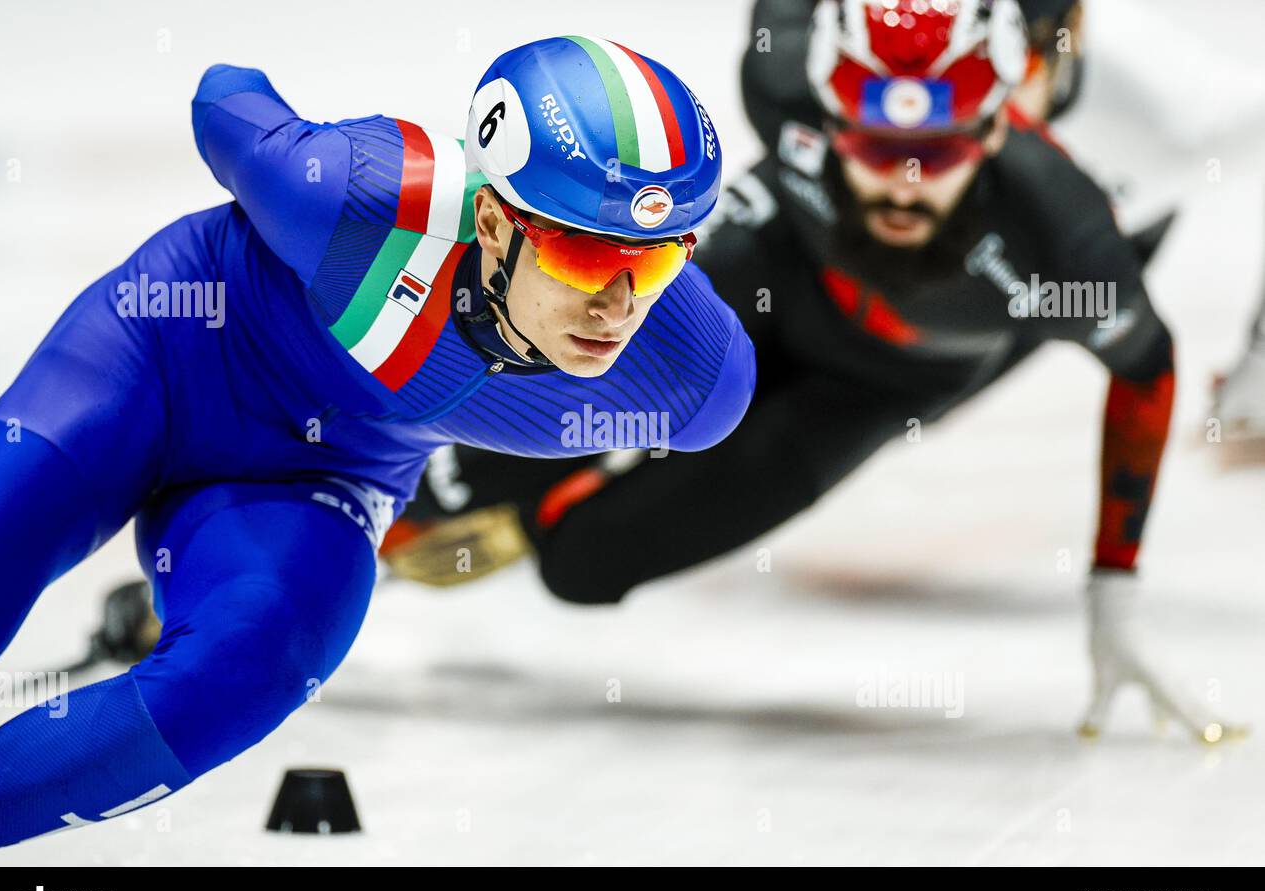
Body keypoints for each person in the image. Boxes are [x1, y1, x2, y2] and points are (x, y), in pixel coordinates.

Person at [0, 37, 755, 859]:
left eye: (658, 258)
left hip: (316, 479)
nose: (618, 304)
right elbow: (224, 96)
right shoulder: (358, 196)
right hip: (159, 361)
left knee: (255, 665)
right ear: (490, 220)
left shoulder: (689, 380)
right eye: (583, 254)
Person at [384, 0, 1236, 743]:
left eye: (935, 154)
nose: (901, 184)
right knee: (483, 442)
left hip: (883, 384)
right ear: (824, 110)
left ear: (996, 129)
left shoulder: (1059, 234)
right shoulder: (782, 71)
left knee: (585, 567)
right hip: (770, 268)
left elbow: (1148, 366)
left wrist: (1113, 585)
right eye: (870, 143)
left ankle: (532, 516)